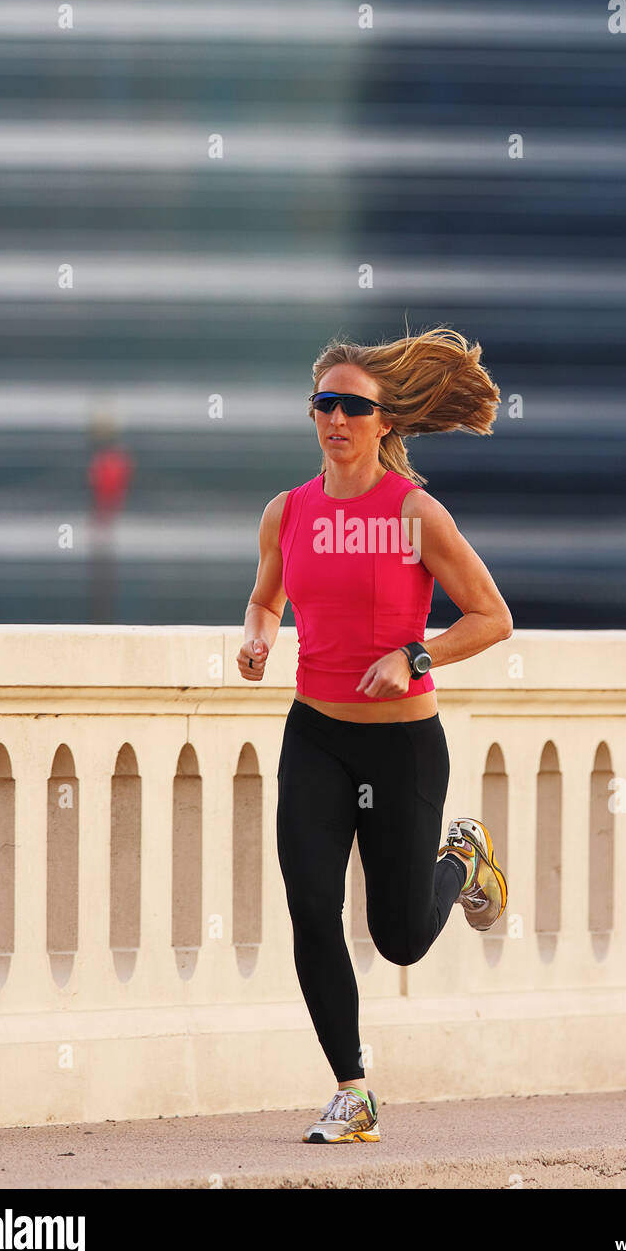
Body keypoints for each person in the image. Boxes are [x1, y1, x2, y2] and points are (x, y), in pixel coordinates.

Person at [237, 326, 513, 1143]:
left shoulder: (417, 515)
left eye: (354, 406)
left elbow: (492, 618)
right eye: (325, 403)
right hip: (315, 737)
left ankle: (461, 854)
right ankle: (351, 1089)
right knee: (312, 909)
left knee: (397, 940)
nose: (337, 418)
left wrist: (414, 653)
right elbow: (266, 598)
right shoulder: (288, 512)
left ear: (385, 421)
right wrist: (255, 635)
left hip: (402, 749)